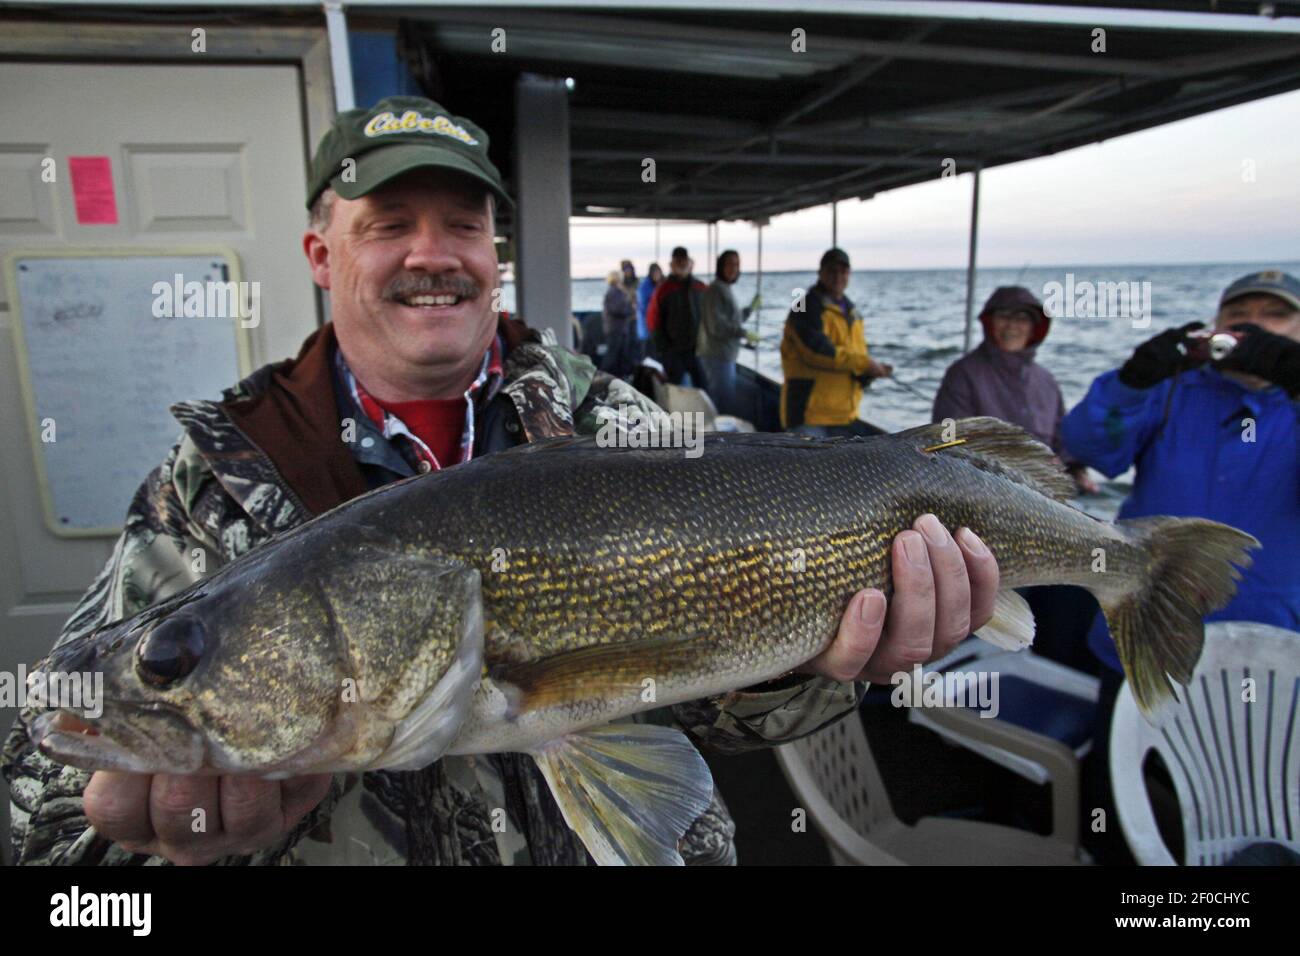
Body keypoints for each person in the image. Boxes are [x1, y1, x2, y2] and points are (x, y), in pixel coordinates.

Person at [4, 95, 1001, 867]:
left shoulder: (621, 429)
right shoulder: (203, 489)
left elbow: (725, 712)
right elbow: (41, 826)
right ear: (319, 252)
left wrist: (830, 661)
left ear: (495, 255)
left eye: (463, 224)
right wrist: (159, 842)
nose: (431, 254)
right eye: (388, 222)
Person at [1060, 268, 1300, 864]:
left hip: (1272, 656)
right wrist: (1131, 381)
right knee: (1123, 789)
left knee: (1258, 803)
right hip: (1142, 634)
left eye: (1275, 316)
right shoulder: (1175, 391)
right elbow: (1091, 447)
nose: (1253, 326)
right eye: (1239, 312)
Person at [932, 286, 1096, 495]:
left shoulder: (1046, 380)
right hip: (986, 490)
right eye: (1003, 316)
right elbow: (948, 440)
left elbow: (1060, 438)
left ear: (1035, 327)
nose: (1012, 325)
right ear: (989, 322)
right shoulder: (962, 373)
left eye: (1022, 318)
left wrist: (1076, 469)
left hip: (1047, 492)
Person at [780, 247, 892, 435]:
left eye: (843, 271)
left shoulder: (853, 313)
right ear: (821, 273)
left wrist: (868, 372)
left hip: (844, 415)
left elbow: (852, 357)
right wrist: (865, 363)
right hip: (809, 416)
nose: (838, 276)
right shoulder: (804, 307)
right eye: (832, 270)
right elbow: (816, 352)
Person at [699, 249, 760, 417]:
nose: (734, 268)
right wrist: (743, 333)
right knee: (722, 403)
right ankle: (718, 440)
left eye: (737, 264)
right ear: (721, 266)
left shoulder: (724, 288)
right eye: (730, 264)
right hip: (717, 355)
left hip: (724, 355)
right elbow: (716, 327)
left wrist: (750, 309)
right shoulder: (715, 290)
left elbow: (732, 319)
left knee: (724, 400)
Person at [646, 247, 709, 388]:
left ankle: (702, 410)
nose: (681, 264)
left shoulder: (700, 288)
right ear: (672, 264)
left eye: (684, 260)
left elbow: (711, 317)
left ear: (690, 263)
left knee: (703, 387)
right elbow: (653, 322)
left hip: (697, 351)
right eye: (678, 261)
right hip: (673, 352)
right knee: (673, 388)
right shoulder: (663, 290)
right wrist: (664, 350)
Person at [583, 269, 640, 381]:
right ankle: (603, 376)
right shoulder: (614, 292)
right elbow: (616, 309)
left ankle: (618, 376)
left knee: (620, 353)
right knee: (613, 354)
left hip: (618, 328)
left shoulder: (616, 292)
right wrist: (630, 310)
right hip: (615, 329)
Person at [636, 262, 663, 341]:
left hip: (657, 325)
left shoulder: (659, 285)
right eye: (655, 273)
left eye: (658, 273)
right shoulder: (644, 287)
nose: (657, 275)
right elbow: (643, 306)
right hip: (647, 325)